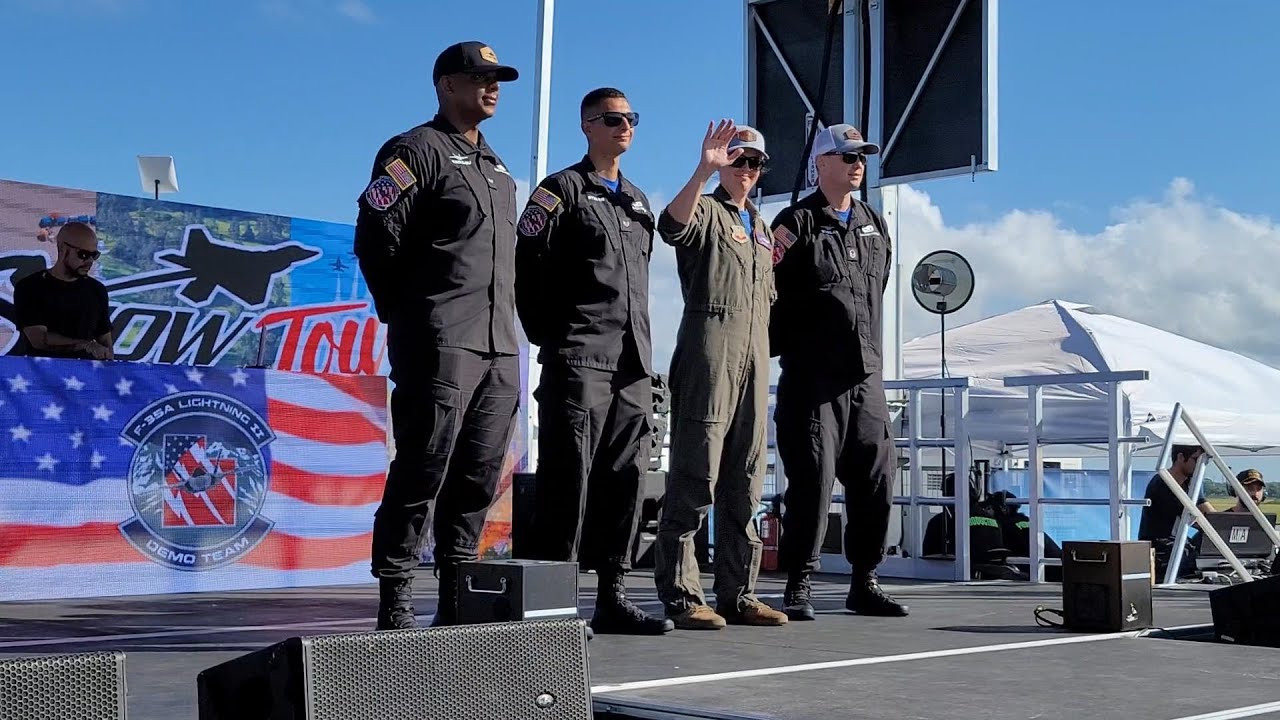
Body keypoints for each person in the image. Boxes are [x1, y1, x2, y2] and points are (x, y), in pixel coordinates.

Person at [353, 41, 522, 631]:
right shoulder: (414, 151)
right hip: (440, 338)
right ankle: (396, 593)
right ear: (447, 85)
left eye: (497, 78)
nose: (492, 87)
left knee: (480, 472)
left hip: (500, 344)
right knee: (424, 464)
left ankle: (456, 595)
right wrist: (409, 311)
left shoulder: (500, 169)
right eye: (480, 77)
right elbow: (377, 232)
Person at [514, 87, 672, 635]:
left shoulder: (637, 200)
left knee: (625, 479)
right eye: (612, 118)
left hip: (633, 362)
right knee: (568, 478)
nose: (624, 126)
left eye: (631, 118)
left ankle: (613, 593)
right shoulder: (559, 191)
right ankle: (555, 607)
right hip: (580, 356)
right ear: (587, 125)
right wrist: (552, 336)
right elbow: (526, 269)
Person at [651, 120, 788, 630]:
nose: (747, 171)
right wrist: (703, 170)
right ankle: (683, 595)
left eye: (755, 163)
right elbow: (671, 227)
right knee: (695, 474)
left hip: (754, 359)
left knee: (746, 479)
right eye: (739, 160)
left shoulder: (760, 227)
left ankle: (739, 592)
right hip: (710, 352)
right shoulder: (706, 209)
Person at [768, 124, 907, 620]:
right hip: (812, 377)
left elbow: (878, 286)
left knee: (876, 479)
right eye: (846, 155)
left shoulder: (874, 223)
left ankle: (864, 580)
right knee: (812, 481)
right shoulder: (793, 223)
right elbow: (769, 295)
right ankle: (799, 583)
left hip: (865, 375)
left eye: (862, 156)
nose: (857, 163)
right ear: (821, 163)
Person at [11, 221, 113, 360]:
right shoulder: (30, 287)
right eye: (83, 254)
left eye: (94, 255)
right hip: (42, 377)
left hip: (88, 378)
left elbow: (106, 342)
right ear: (63, 249)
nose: (89, 261)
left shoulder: (97, 290)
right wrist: (84, 345)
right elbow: (39, 340)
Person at [1138, 444, 1214, 579]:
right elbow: (1197, 520)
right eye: (1196, 460)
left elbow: (1208, 511)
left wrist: (1224, 524)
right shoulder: (1163, 483)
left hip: (1178, 542)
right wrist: (1218, 528)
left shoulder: (1191, 482)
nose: (1200, 467)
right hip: (1160, 547)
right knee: (1195, 552)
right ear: (1180, 457)